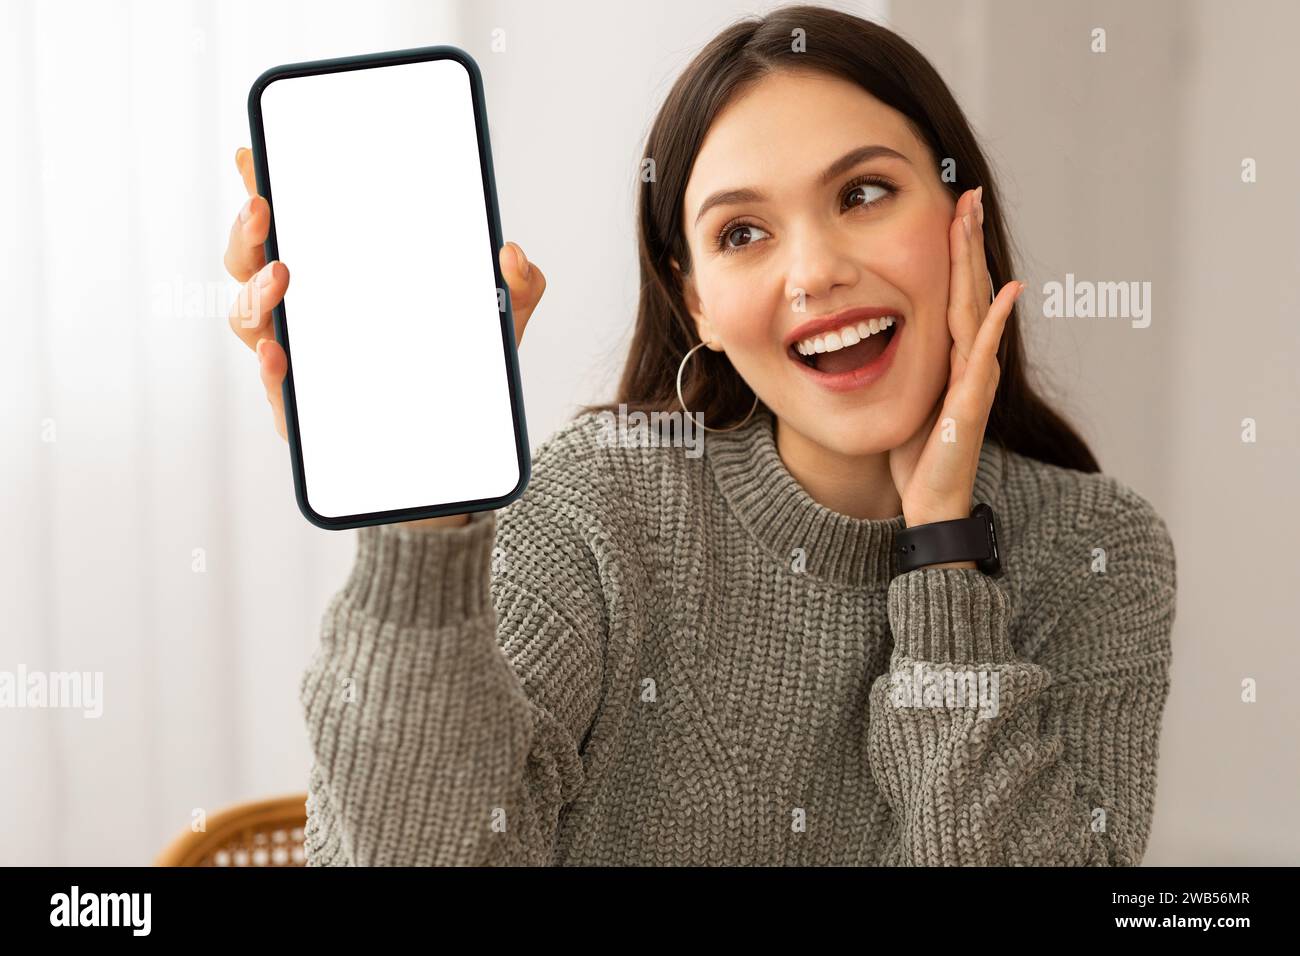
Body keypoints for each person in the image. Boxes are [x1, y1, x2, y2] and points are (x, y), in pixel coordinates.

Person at [221, 4, 1177, 865]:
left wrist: (943, 550)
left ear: (963, 214)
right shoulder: (601, 501)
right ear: (697, 305)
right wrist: (419, 529)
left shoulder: (1096, 551)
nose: (813, 273)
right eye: (742, 235)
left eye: (863, 194)